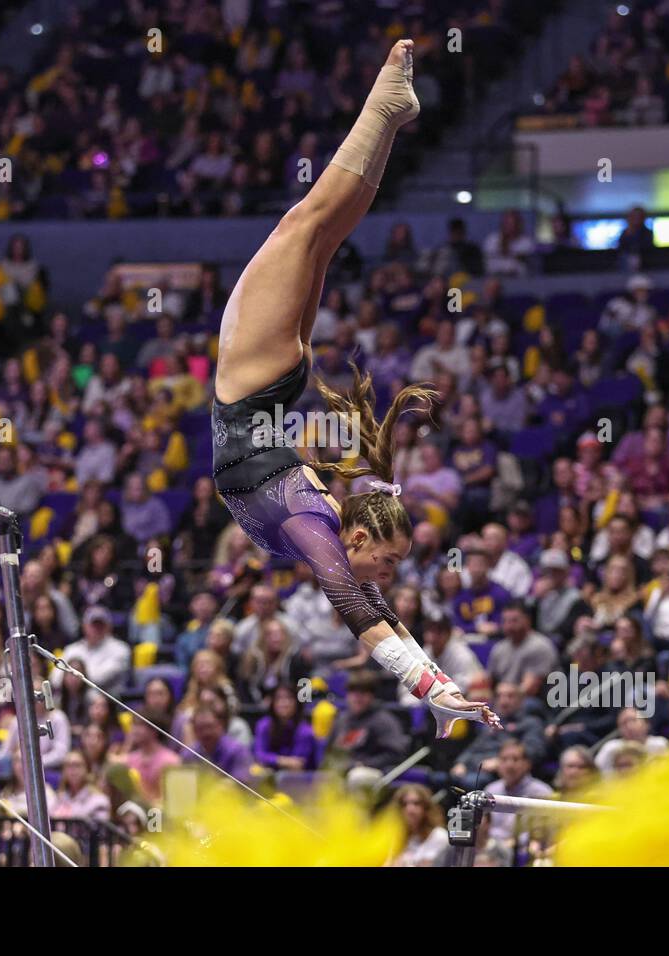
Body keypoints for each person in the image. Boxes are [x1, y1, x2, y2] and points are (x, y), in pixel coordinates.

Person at [209, 40, 497, 738]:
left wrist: (433, 686)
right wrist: (435, 684)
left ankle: (388, 111)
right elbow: (371, 608)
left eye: (391, 563)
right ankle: (387, 112)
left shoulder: (318, 529)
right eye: (390, 562)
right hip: (260, 386)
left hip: (256, 385)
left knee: (310, 227)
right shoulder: (322, 526)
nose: (390, 575)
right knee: (313, 231)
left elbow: (360, 608)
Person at [252, 684, 317, 772]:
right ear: (272, 703)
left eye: (289, 698)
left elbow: (298, 764)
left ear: (297, 702)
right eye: (279, 698)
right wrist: (282, 761)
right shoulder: (264, 725)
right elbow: (259, 755)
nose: (284, 703)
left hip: (298, 780)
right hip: (268, 775)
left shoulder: (305, 731)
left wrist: (272, 760)